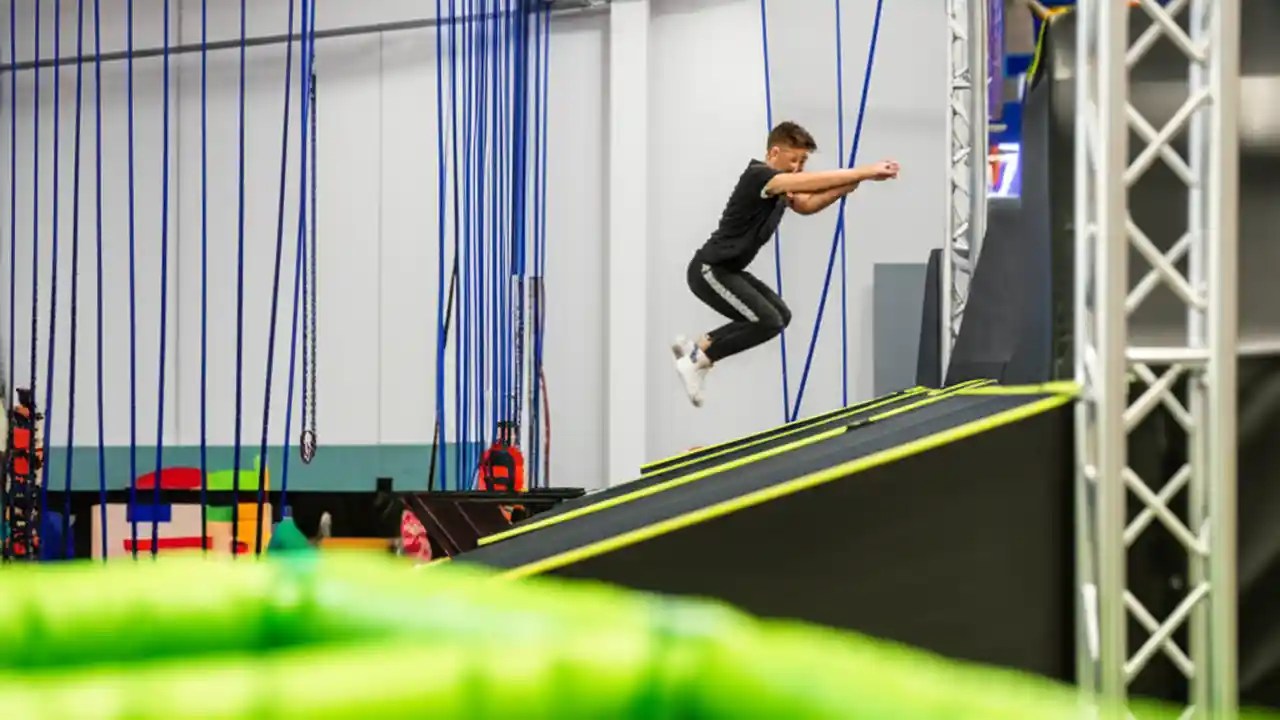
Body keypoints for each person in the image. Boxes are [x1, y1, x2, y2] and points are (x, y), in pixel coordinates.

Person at [671, 121, 900, 407]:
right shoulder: (760, 176)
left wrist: (848, 186)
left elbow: (805, 204)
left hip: (729, 271)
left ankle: (698, 349)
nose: (797, 168)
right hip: (710, 270)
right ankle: (699, 359)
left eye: (803, 162)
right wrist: (866, 170)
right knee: (767, 321)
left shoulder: (780, 188)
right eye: (794, 160)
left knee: (780, 315)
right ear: (774, 153)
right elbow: (805, 185)